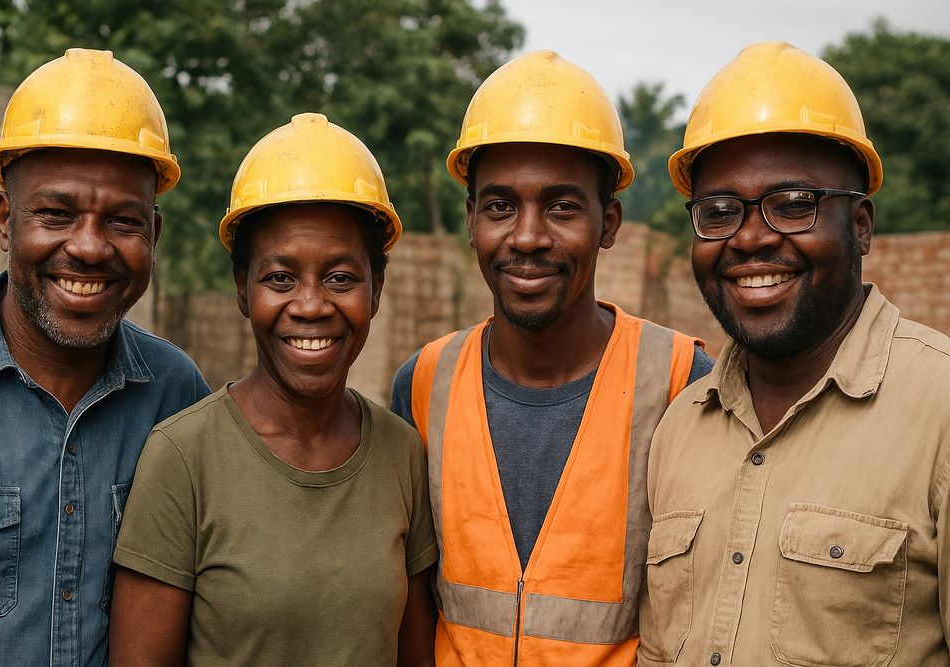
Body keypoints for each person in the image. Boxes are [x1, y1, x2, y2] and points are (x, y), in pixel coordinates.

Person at [389, 50, 713, 665]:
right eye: (500, 207)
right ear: (471, 221)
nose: (528, 236)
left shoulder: (680, 382)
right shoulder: (424, 382)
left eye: (562, 207)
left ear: (608, 223)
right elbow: (414, 600)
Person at [639, 41, 950, 666]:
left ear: (860, 223)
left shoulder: (939, 409)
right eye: (719, 211)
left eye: (793, 205)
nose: (751, 237)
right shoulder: (679, 428)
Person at [109, 112, 438, 666]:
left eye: (341, 278)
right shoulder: (183, 458)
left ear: (376, 290)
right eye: (279, 278)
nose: (311, 306)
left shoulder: (401, 453)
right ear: (243, 290)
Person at [0, 49, 208, 665]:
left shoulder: (178, 397)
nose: (90, 248)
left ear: (153, 235)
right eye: (56, 214)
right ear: (6, 221)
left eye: (122, 221)